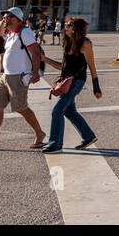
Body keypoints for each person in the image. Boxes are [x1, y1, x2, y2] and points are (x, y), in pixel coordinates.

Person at [0, 8, 46, 151]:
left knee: (21, 108)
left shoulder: (24, 33)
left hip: (18, 76)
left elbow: (36, 53)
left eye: (7, 17)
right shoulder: (11, 34)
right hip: (6, 76)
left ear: (16, 19)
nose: (4, 20)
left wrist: (35, 73)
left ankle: (40, 134)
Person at [38, 17, 101, 152]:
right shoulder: (67, 43)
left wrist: (96, 87)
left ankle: (55, 143)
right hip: (66, 81)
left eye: (67, 26)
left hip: (77, 81)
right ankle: (88, 136)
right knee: (69, 111)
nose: (64, 28)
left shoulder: (85, 44)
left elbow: (92, 67)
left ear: (75, 29)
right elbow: (62, 67)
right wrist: (45, 59)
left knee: (57, 110)